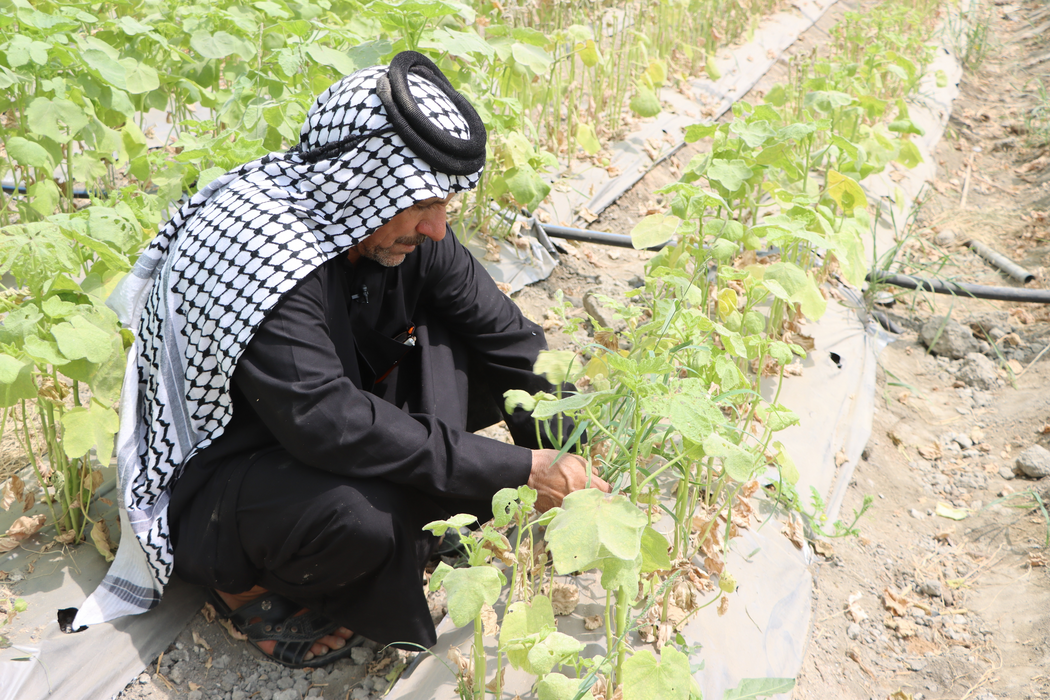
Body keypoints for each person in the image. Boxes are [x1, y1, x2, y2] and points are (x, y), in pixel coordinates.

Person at [68, 52, 609, 668]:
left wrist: (571, 455)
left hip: (329, 420)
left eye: (444, 205)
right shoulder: (264, 252)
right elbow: (328, 420)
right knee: (363, 522)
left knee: (479, 355)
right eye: (422, 205)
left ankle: (431, 504)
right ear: (362, 183)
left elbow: (506, 337)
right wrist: (515, 470)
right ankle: (238, 582)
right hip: (229, 472)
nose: (437, 228)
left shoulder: (395, 228)